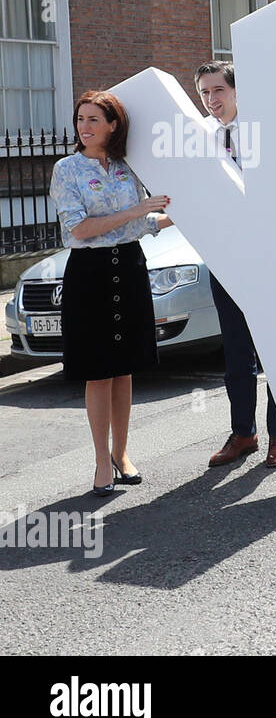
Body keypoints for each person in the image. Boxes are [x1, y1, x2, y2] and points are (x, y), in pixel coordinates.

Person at [49, 91, 173, 495]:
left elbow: (143, 224)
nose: (84, 127)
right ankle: (102, 460)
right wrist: (139, 211)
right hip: (90, 273)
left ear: (113, 125)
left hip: (130, 266)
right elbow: (79, 229)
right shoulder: (66, 170)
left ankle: (122, 454)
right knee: (98, 371)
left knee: (124, 368)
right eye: (80, 119)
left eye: (93, 120)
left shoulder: (127, 166)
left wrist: (188, 213)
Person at [196, 61, 276, 469]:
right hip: (224, 258)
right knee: (236, 352)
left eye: (218, 90)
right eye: (204, 93)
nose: (212, 100)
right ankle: (243, 433)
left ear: (236, 91)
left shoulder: (264, 130)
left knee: (274, 348)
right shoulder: (198, 136)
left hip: (269, 256)